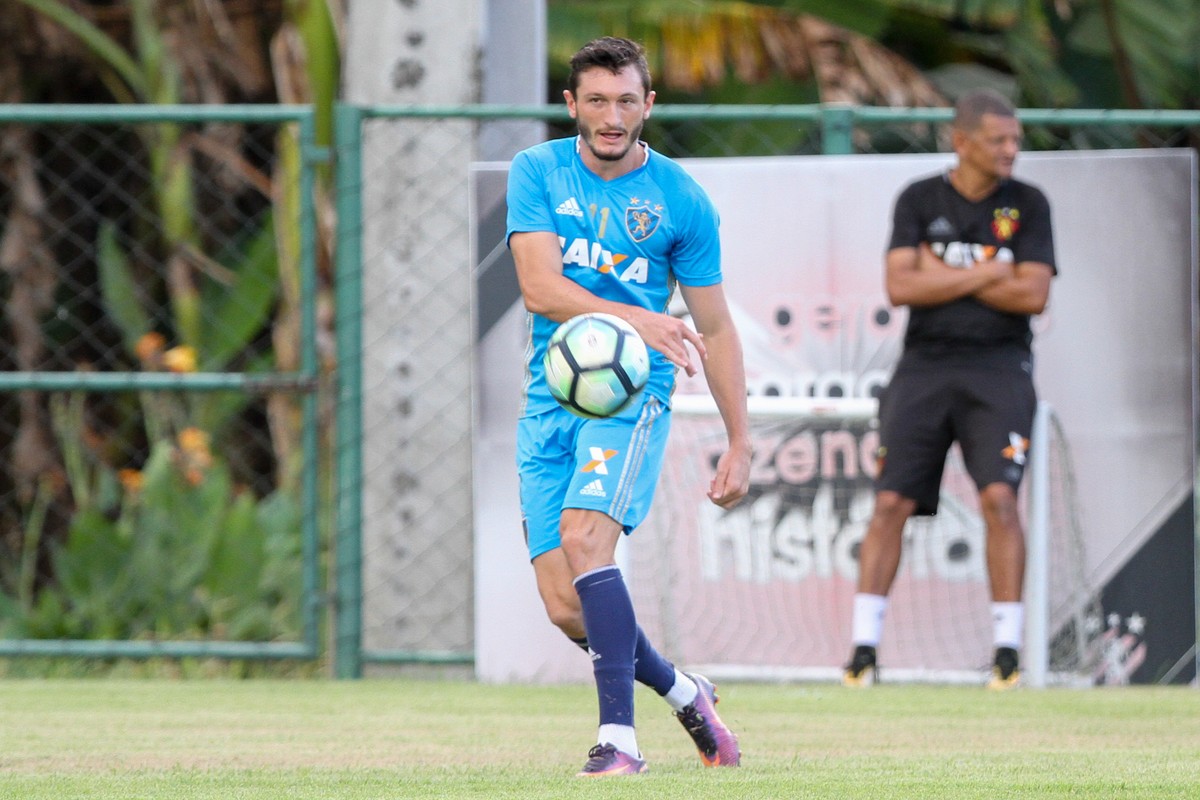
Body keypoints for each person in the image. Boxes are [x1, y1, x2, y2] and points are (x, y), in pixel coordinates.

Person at [506, 37, 751, 776]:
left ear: (649, 106)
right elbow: (541, 289)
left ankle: (620, 742)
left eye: (626, 101)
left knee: (587, 542)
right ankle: (685, 690)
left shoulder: (681, 200)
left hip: (632, 393)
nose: (612, 116)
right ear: (572, 104)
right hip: (550, 393)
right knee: (564, 604)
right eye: (597, 100)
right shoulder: (538, 171)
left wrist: (740, 441)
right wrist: (641, 317)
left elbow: (713, 327)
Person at [842, 89, 1057, 691]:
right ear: (961, 142)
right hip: (925, 367)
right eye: (999, 140)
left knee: (1000, 501)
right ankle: (862, 651)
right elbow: (900, 286)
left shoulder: (1030, 205)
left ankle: (1007, 654)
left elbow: (1033, 295)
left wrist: (943, 274)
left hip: (1000, 367)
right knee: (890, 504)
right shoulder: (919, 198)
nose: (1012, 150)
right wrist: (992, 269)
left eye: (1016, 139)